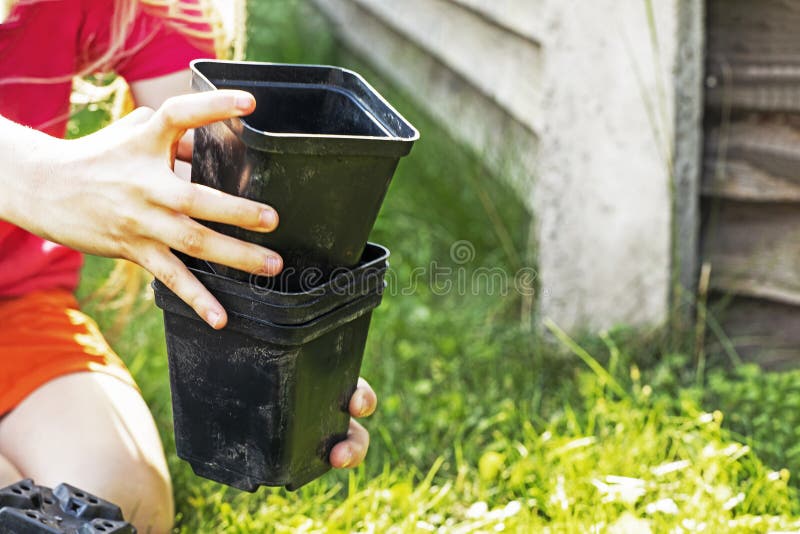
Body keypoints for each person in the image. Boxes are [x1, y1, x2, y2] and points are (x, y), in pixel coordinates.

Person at [0, 1, 377, 532]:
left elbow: (207, 177)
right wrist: (43, 181)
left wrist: (292, 335)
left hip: (14, 308)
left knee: (117, 499)